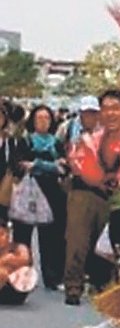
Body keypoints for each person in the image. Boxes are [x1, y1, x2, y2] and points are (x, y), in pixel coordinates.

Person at [64, 88, 120, 311]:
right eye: (105, 109)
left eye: (115, 108)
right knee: (78, 241)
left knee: (108, 244)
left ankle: (105, 286)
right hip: (83, 193)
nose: (109, 113)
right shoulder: (86, 140)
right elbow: (78, 164)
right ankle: (74, 287)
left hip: (113, 197)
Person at [8, 103, 67, 289]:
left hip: (52, 193)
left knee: (52, 238)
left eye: (47, 118)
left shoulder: (57, 143)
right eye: (39, 118)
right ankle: (21, 276)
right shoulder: (25, 141)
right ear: (32, 120)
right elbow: (19, 165)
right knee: (22, 237)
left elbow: (64, 168)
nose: (43, 121)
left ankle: (52, 277)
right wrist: (51, 166)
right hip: (28, 192)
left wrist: (37, 165)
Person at [0, 220, 36, 305]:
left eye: (2, 234)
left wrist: (7, 259)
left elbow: (25, 259)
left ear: (8, 235)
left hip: (14, 290)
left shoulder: (19, 248)